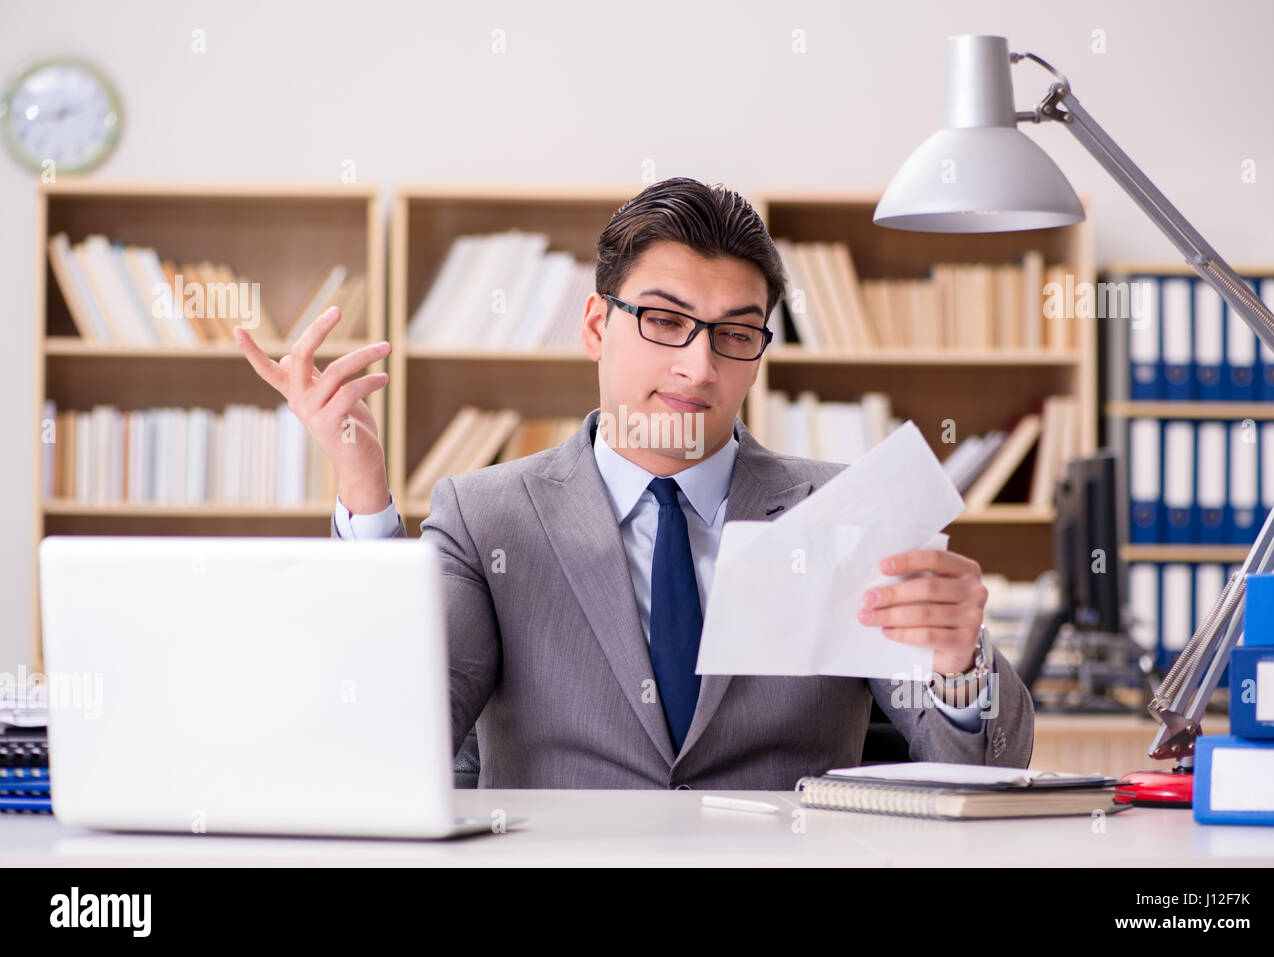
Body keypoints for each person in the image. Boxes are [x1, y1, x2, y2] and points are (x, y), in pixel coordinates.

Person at [235, 177, 1034, 789]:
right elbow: (393, 735)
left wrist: (958, 661)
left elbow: (990, 770)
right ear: (595, 326)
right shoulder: (486, 517)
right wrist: (365, 493)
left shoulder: (844, 513)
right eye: (663, 319)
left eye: (735, 333)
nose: (698, 363)